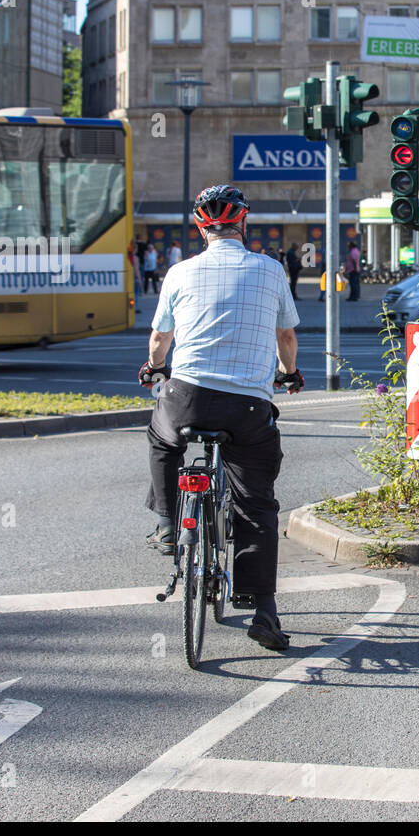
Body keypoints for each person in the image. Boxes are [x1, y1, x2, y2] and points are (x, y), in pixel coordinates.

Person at [139, 184, 303, 653]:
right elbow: (286, 339)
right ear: (244, 225)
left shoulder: (179, 272)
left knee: (161, 438)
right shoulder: (270, 271)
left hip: (186, 396)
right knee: (256, 504)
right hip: (247, 406)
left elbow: (158, 340)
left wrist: (154, 368)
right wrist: (288, 374)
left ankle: (170, 523)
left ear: (200, 228)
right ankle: (264, 610)